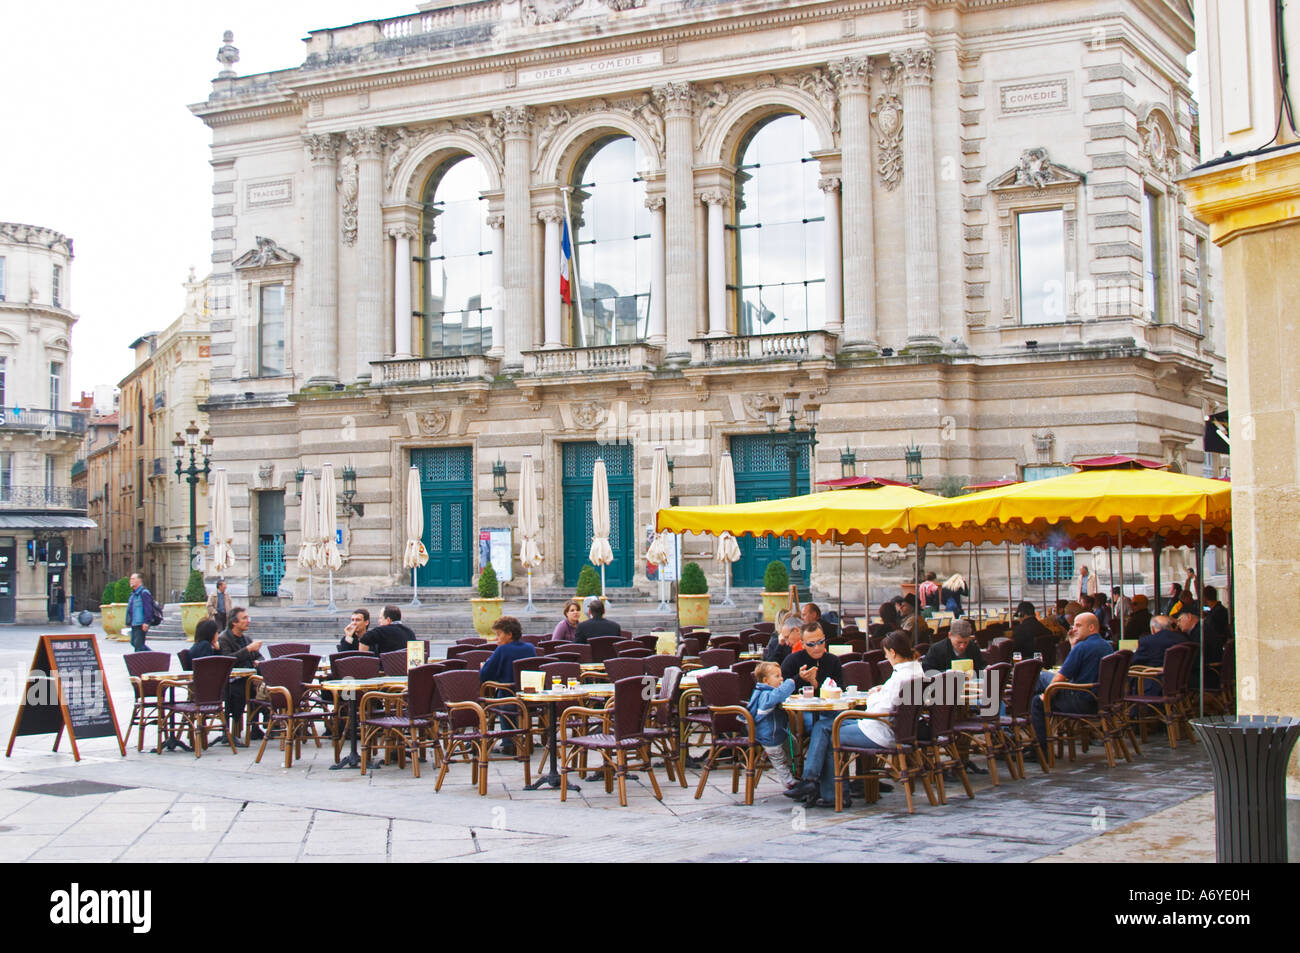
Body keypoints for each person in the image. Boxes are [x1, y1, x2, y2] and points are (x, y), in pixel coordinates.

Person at [790, 632, 922, 808]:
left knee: (826, 732)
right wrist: (882, 692)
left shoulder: (899, 677)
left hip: (880, 730)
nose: (885, 656)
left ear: (893, 652)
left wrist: (873, 697)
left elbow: (881, 709)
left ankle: (824, 789)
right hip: (897, 730)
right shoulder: (916, 671)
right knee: (825, 727)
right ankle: (818, 785)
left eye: (885, 653)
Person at [1030, 612, 1113, 754]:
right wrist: (1073, 645)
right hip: (1098, 701)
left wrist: (1046, 696)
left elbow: (1061, 677)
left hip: (1081, 701)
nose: (1074, 629)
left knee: (1037, 698)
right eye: (1073, 625)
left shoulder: (1083, 647)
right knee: (1042, 679)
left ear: (1092, 627)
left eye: (1079, 625)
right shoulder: (1107, 646)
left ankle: (1039, 749)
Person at [747, 662, 798, 789]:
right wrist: (790, 683)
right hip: (768, 735)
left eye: (781, 676)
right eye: (777, 676)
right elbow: (774, 698)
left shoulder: (768, 691)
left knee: (794, 744)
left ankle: (796, 770)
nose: (781, 679)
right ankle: (788, 781)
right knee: (778, 759)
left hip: (779, 732)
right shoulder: (765, 694)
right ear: (766, 681)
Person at [218, 607, 265, 740]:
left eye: (247, 617)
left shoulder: (246, 639)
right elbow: (228, 660)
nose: (248, 621)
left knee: (262, 687)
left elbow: (261, 657)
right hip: (230, 682)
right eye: (244, 618)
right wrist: (248, 650)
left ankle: (257, 726)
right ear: (234, 622)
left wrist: (258, 661)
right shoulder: (224, 639)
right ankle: (253, 723)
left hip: (249, 680)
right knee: (248, 689)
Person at [779, 621, 844, 692]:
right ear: (803, 644)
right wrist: (800, 678)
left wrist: (816, 684)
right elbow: (781, 691)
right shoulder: (791, 661)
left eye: (820, 642)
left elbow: (841, 690)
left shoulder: (833, 661)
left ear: (825, 639)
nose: (817, 647)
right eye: (811, 644)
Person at [479, 615, 536, 685]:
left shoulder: (502, 649)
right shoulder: (530, 647)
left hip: (506, 693)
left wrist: (484, 666)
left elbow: (484, 676)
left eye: (498, 634)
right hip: (527, 693)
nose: (496, 638)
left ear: (509, 634)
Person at [922, 618, 986, 672]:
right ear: (950, 635)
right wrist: (946, 673)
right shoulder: (936, 650)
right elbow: (927, 671)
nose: (962, 646)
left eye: (966, 642)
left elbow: (982, 666)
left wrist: (985, 669)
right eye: (959, 642)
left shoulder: (973, 647)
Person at [125, 572, 159, 652]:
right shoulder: (133, 594)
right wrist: (128, 622)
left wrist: (146, 622)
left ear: (139, 581)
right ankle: (153, 655)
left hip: (141, 623)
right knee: (134, 642)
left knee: (138, 645)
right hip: (134, 623)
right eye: (130, 579)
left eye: (133, 579)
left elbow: (148, 608)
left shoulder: (144, 593)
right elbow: (131, 609)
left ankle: (142, 660)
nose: (131, 581)